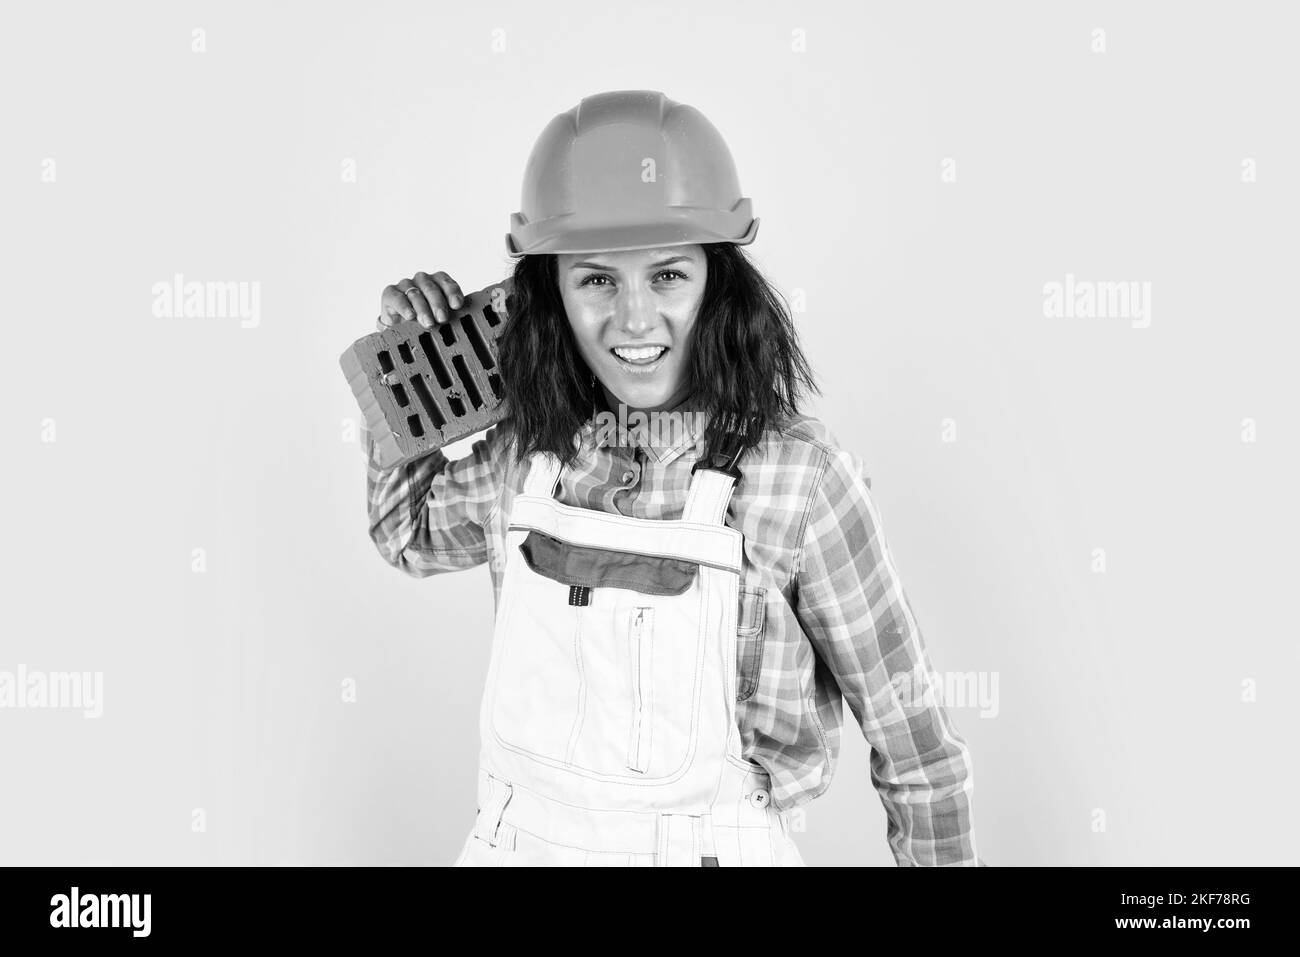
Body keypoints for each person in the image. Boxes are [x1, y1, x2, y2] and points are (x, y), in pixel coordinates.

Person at [365, 90, 985, 866]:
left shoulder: (798, 479)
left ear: (719, 285)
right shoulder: (524, 457)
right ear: (548, 293)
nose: (633, 320)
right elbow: (407, 533)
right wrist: (403, 363)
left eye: (666, 276)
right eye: (595, 279)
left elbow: (915, 748)